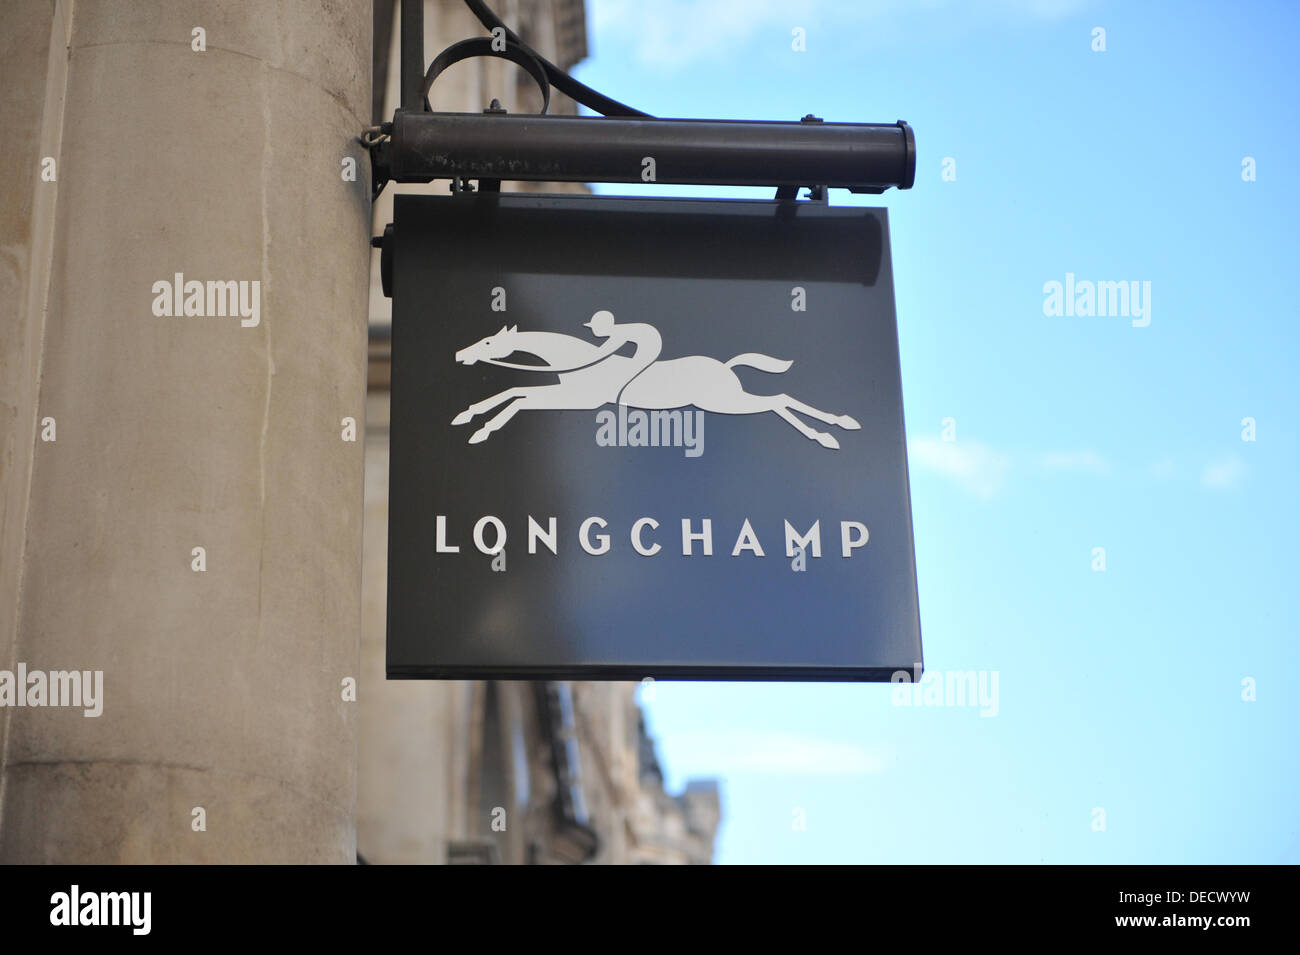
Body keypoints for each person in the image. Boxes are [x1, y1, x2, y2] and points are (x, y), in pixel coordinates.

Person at [569, 310, 662, 404]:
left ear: (604, 326)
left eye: (595, 327)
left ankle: (633, 392)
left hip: (651, 347)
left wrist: (579, 362)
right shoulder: (619, 332)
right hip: (648, 345)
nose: (594, 330)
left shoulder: (619, 333)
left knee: (629, 371)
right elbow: (602, 352)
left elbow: (603, 352)